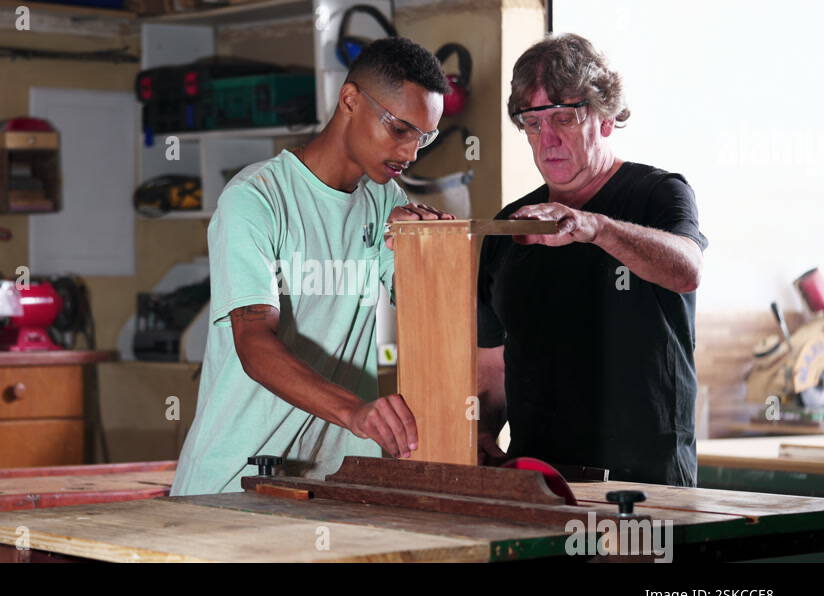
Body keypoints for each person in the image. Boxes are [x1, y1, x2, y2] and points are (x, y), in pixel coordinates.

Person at [172, 38, 455, 496]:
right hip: (232, 485)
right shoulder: (256, 198)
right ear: (350, 100)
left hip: (335, 484)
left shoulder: (385, 200)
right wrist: (354, 412)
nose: (411, 153)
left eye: (424, 138)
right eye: (400, 129)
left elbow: (433, 320)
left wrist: (432, 251)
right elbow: (252, 342)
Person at [476, 33, 708, 486]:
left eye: (564, 117)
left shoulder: (657, 194)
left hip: (645, 483)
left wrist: (594, 228)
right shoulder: (509, 225)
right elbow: (493, 363)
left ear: (605, 118)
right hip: (537, 479)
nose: (548, 139)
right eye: (533, 123)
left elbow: (687, 270)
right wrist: (483, 426)